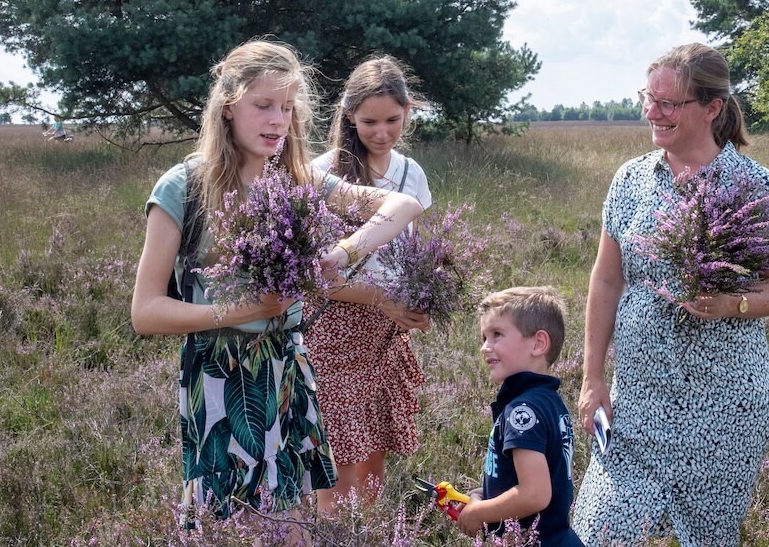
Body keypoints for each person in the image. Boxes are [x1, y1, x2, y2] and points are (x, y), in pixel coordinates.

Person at [129, 39, 424, 532]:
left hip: (288, 367)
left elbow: (402, 206)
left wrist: (341, 253)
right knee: (228, 525)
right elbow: (146, 311)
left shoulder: (298, 180)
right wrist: (246, 309)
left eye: (287, 108)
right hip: (221, 377)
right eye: (263, 105)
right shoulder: (182, 187)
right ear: (228, 107)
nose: (277, 120)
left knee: (292, 526)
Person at [572, 43, 769, 546]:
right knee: (598, 531)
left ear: (712, 107)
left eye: (668, 103)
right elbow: (606, 280)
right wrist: (592, 379)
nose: (652, 112)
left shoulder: (757, 187)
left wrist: (731, 305)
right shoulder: (631, 179)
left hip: (724, 412)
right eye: (647, 99)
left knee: (709, 540)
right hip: (635, 407)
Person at [303, 55, 433, 515]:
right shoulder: (321, 174)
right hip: (334, 334)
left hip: (386, 334)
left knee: (374, 454)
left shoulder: (411, 173)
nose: (381, 132)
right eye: (369, 121)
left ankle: (367, 533)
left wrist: (421, 301)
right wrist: (384, 299)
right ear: (349, 115)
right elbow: (314, 278)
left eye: (392, 120)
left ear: (408, 113)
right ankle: (333, 534)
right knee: (338, 462)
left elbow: (416, 256)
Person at [456, 286, 583, 547]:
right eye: (484, 337)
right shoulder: (550, 401)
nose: (484, 348)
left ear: (538, 343)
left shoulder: (521, 411)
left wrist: (478, 513)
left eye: (496, 335)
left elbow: (535, 494)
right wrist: (486, 496)